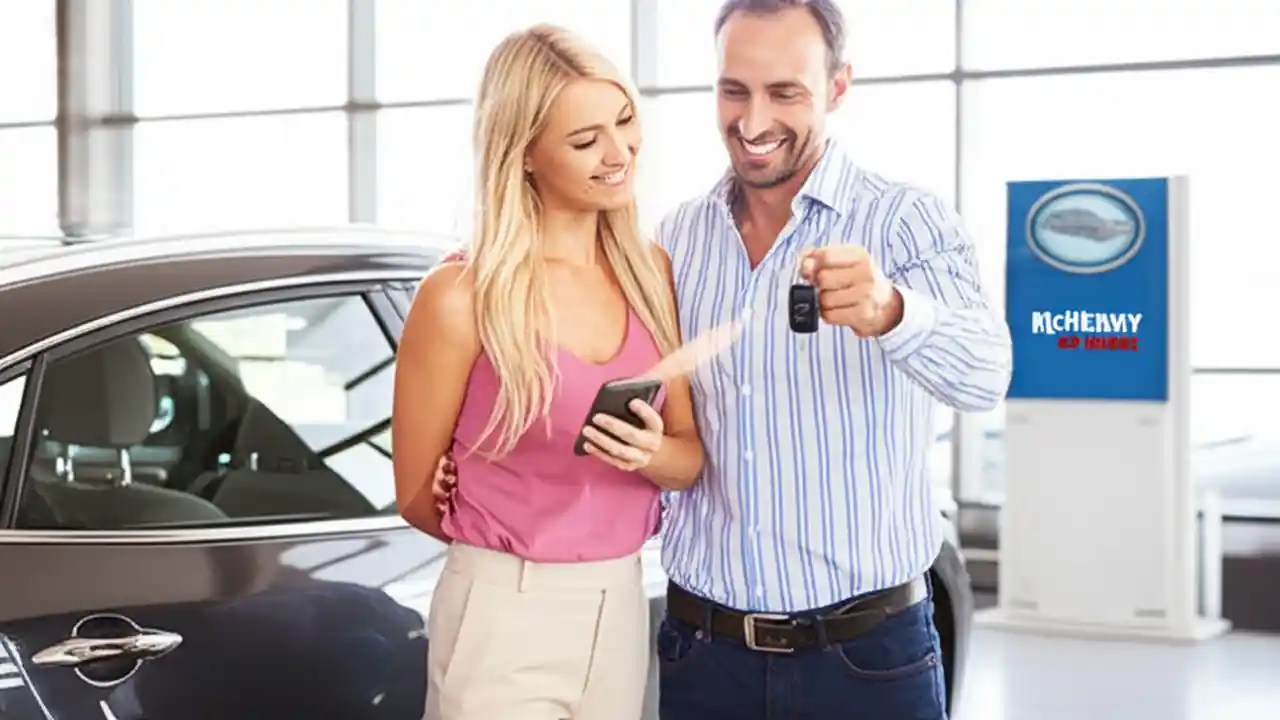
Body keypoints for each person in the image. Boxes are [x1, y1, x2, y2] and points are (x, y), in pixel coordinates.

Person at [433, 1, 1011, 718]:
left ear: (837, 88)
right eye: (734, 89)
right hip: (706, 656)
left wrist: (893, 312)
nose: (754, 119)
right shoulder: (677, 241)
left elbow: (987, 374)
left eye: (785, 92)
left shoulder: (905, 221)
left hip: (865, 658)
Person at [391, 24, 703, 720]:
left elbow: (687, 461)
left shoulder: (651, 272)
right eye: (585, 139)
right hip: (504, 612)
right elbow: (416, 497)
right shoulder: (460, 297)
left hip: (620, 601)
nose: (618, 153)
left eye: (624, 122)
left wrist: (650, 453)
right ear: (523, 153)